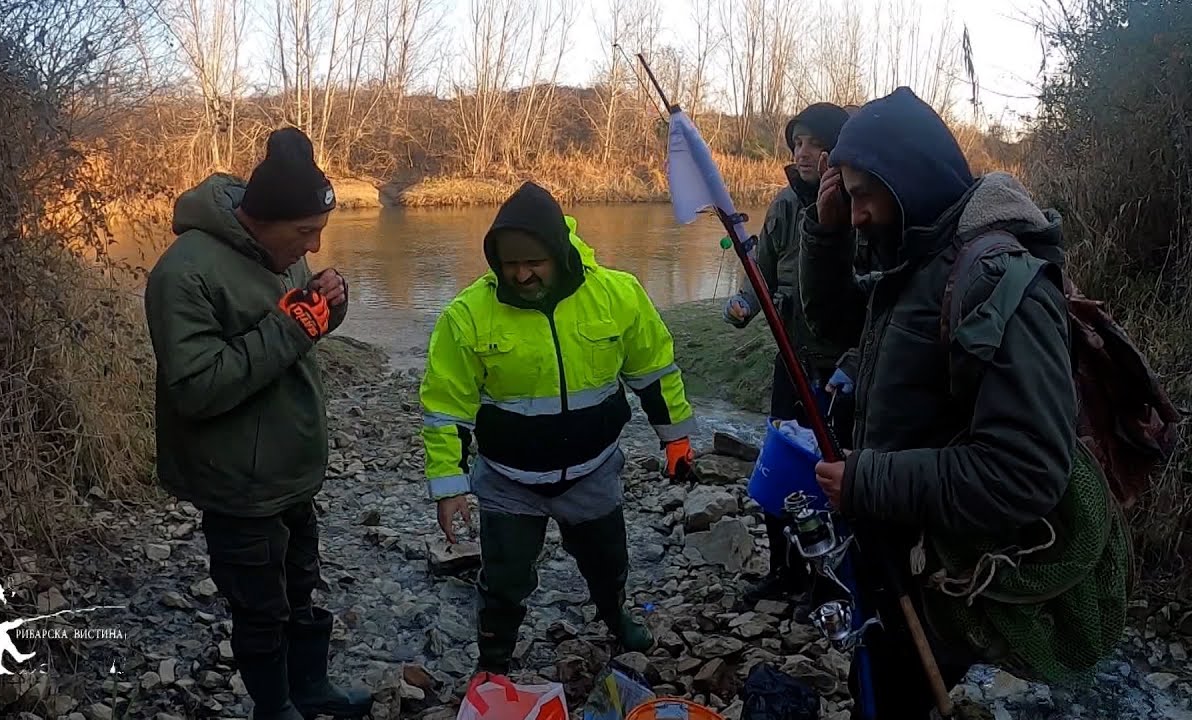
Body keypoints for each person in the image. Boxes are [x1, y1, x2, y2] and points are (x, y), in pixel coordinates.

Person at [799, 87, 1077, 719]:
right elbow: (836, 326)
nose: (857, 214)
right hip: (892, 553)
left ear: (908, 182)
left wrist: (867, 481)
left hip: (943, 577)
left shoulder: (995, 281)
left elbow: (1025, 472)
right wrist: (826, 233)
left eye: (863, 195)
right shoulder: (915, 254)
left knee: (903, 697)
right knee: (876, 687)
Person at [418, 180, 698, 676]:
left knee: (608, 563)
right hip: (508, 482)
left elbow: (655, 373)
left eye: (534, 262)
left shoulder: (618, 294)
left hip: (593, 473)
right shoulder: (466, 316)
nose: (521, 274)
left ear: (560, 253)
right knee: (504, 580)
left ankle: (616, 617)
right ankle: (494, 663)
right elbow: (445, 409)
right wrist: (449, 486)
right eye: (509, 263)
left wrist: (675, 438)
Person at [145, 127, 373, 720]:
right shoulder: (184, 274)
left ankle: (311, 690)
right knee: (259, 607)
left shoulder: (282, 251)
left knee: (300, 588)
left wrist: (328, 305)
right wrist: (291, 328)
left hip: (290, 468)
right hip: (237, 483)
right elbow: (196, 388)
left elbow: (295, 332)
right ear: (262, 219)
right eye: (305, 233)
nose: (314, 247)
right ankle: (274, 709)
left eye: (319, 231)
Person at [722, 102, 864, 606]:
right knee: (781, 466)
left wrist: (856, 361)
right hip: (792, 360)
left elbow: (877, 297)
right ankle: (784, 570)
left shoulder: (860, 206)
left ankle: (831, 581)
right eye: (797, 143)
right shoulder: (783, 205)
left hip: (842, 372)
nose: (802, 153)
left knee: (833, 475)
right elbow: (760, 268)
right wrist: (745, 302)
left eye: (815, 144)